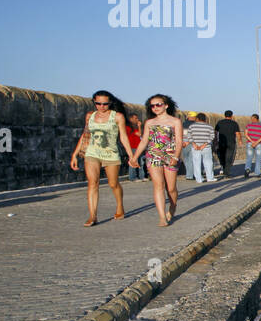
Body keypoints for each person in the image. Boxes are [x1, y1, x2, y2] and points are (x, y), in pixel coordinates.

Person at [69, 90, 137, 226]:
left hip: (111, 154)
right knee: (92, 183)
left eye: (105, 104)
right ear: (94, 102)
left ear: (110, 103)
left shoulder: (117, 116)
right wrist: (74, 154)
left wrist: (131, 156)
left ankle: (119, 206)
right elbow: (85, 135)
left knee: (113, 184)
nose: (101, 106)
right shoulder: (90, 116)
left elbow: (123, 136)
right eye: (98, 103)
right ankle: (93, 216)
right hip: (92, 153)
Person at [131, 94, 183, 227]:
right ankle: (161, 217)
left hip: (170, 155)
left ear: (166, 105)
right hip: (153, 155)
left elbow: (178, 141)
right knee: (158, 185)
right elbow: (144, 141)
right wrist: (135, 157)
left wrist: (176, 157)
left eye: (158, 104)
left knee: (171, 188)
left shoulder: (175, 121)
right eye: (152, 105)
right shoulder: (149, 122)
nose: (155, 107)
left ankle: (172, 207)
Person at [186, 112, 217, 183]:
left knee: (196, 162)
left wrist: (194, 144)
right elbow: (212, 137)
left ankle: (199, 179)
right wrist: (204, 144)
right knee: (208, 162)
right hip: (206, 147)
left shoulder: (192, 126)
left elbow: (189, 136)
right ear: (205, 119)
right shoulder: (209, 127)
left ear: (197, 119)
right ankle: (210, 178)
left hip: (195, 147)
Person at [215, 110, 241, 177]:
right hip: (231, 143)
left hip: (221, 142)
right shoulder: (234, 123)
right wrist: (240, 141)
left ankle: (223, 168)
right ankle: (227, 173)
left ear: (224, 115)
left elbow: (215, 132)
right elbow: (237, 133)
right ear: (232, 116)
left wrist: (215, 140)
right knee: (229, 158)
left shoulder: (219, 122)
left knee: (222, 156)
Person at [125, 112, 145, 181]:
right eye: (135, 118)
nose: (137, 120)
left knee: (140, 162)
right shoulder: (128, 127)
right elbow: (139, 134)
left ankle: (141, 176)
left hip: (137, 146)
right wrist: (139, 126)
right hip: (132, 147)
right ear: (131, 119)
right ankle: (132, 177)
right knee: (133, 161)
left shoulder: (133, 127)